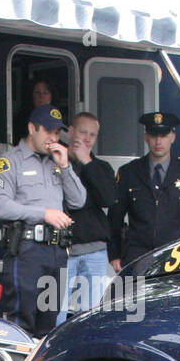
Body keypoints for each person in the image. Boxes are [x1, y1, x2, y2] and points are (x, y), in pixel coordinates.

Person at [0, 105, 85, 337]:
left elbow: (79, 200)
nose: (53, 138)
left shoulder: (56, 162)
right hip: (27, 251)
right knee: (22, 324)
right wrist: (44, 214)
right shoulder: (9, 162)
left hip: (57, 252)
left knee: (48, 325)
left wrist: (65, 165)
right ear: (32, 128)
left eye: (57, 133)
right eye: (48, 132)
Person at [108, 111, 180, 271]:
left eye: (164, 135)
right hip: (137, 256)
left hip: (177, 255)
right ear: (146, 137)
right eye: (153, 135)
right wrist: (114, 253)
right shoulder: (129, 172)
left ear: (173, 137)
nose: (158, 141)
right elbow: (114, 218)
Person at [58, 112, 116, 325]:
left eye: (93, 134)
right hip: (63, 252)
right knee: (56, 313)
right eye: (83, 132)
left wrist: (86, 161)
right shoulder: (56, 162)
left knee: (91, 318)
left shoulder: (101, 167)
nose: (88, 138)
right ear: (71, 131)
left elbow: (109, 199)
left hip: (95, 253)